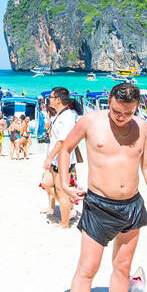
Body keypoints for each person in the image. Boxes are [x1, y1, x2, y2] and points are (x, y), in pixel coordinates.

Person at [57, 82, 147, 292]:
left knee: (123, 267)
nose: (121, 117)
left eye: (127, 113)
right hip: (98, 205)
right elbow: (65, 148)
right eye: (117, 111)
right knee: (88, 268)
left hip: (131, 206)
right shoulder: (89, 121)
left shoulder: (141, 126)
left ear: (136, 108)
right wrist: (65, 184)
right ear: (109, 101)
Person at [43, 88, 81, 227]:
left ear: (58, 100)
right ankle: (68, 205)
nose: (49, 100)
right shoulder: (59, 115)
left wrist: (49, 158)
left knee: (61, 191)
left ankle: (64, 222)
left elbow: (62, 141)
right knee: (46, 183)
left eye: (51, 97)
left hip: (62, 160)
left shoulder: (68, 116)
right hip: (55, 160)